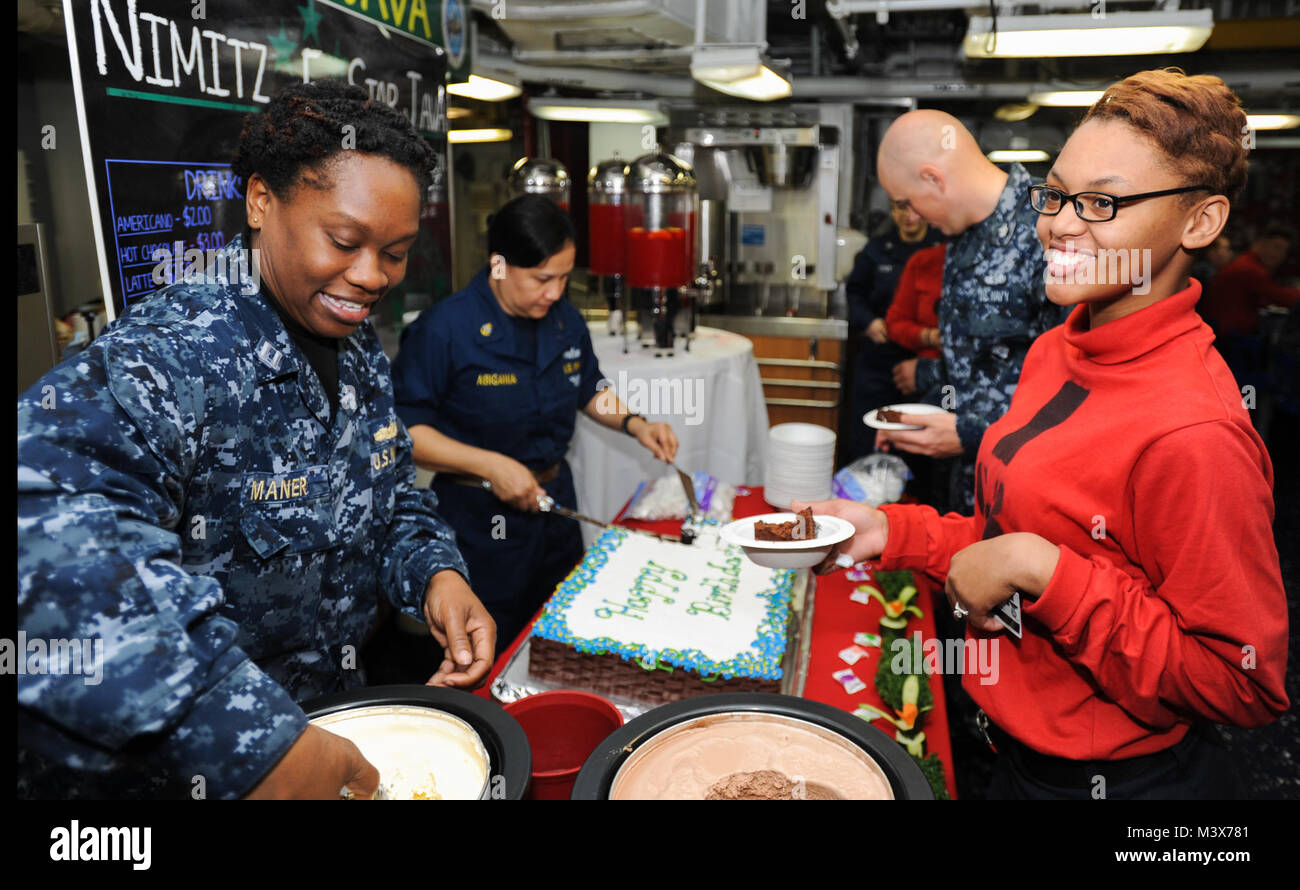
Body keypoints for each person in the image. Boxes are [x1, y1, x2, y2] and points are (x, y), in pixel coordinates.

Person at [801, 69, 1289, 799]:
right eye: (1055, 195)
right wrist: (890, 532)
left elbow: (1240, 683)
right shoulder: (1059, 347)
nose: (1059, 224)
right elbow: (1007, 533)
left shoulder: (1194, 430)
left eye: (1101, 203)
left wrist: (1047, 573)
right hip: (1012, 753)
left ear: (1200, 222)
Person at [16, 81, 497, 800]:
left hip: (337, 729)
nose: (371, 277)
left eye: (394, 253)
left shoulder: (359, 354)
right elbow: (39, 538)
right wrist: (252, 743)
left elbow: (391, 499)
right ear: (260, 202)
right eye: (344, 241)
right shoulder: (169, 356)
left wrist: (436, 573)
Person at [391, 195, 679, 658]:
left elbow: (588, 386)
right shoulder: (445, 329)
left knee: (561, 637)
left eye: (565, 277)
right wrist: (491, 466)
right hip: (479, 523)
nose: (555, 292)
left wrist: (635, 423)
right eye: (543, 279)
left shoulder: (563, 319)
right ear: (500, 266)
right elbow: (407, 431)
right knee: (491, 649)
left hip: (555, 507)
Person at [874, 110, 1068, 513]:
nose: (913, 218)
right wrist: (920, 414)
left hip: (1026, 493)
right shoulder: (962, 235)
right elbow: (979, 361)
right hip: (966, 489)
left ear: (933, 178)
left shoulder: (1050, 227)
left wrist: (973, 433)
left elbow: (1075, 384)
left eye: (908, 203)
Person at [843, 198, 944, 462]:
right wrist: (868, 322)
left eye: (914, 208)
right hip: (881, 357)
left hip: (924, 357)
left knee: (916, 437)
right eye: (901, 208)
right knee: (871, 430)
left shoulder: (941, 247)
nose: (908, 215)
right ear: (892, 211)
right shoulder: (877, 249)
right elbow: (855, 292)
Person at [1201, 225, 1299, 335]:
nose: (1279, 255)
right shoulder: (1249, 268)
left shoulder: (1248, 264)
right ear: (1259, 244)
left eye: (1284, 251)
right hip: (1229, 336)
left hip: (1226, 331)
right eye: (1276, 247)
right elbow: (1279, 296)